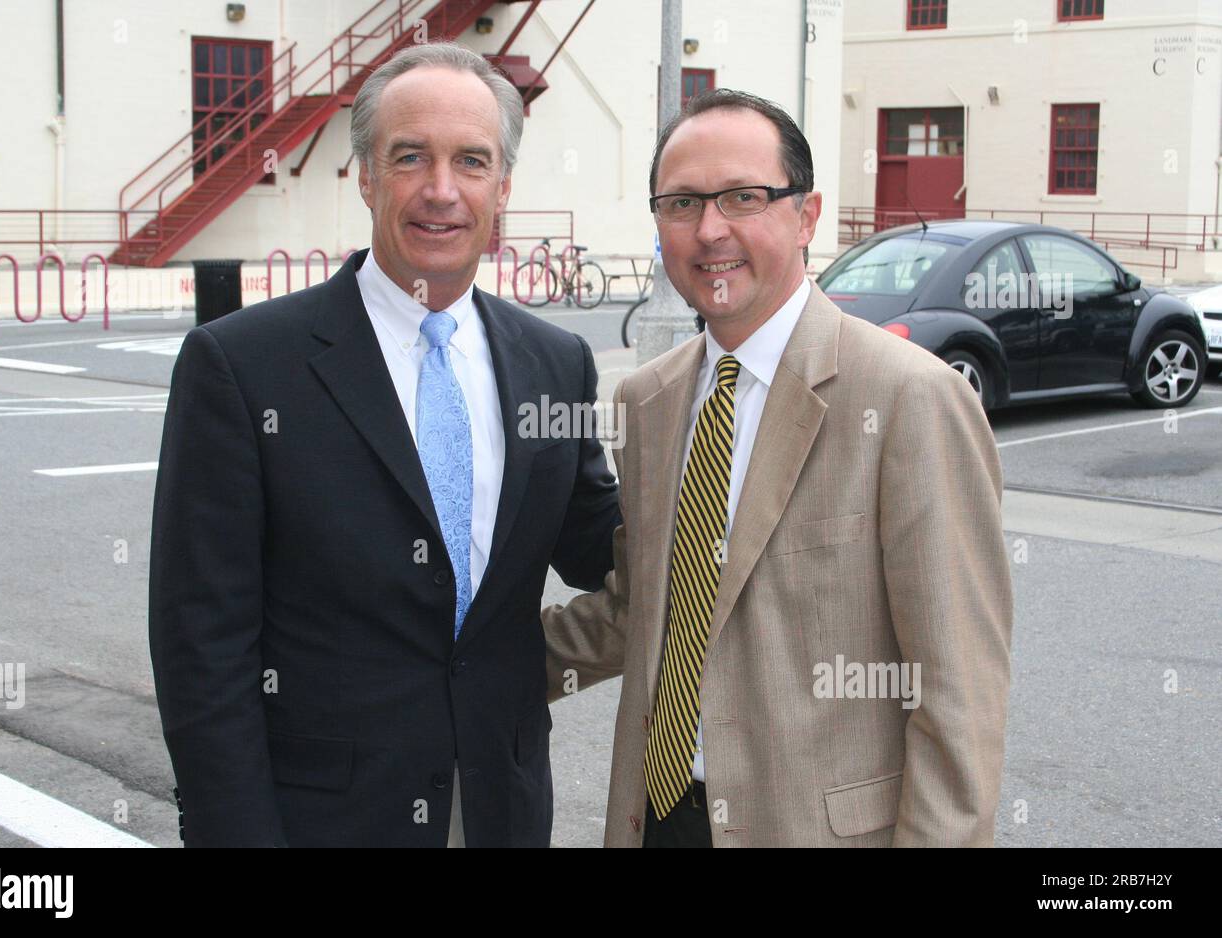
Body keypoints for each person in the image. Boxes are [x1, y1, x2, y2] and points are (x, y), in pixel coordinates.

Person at [150, 42, 620, 847]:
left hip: (499, 808)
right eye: (411, 157)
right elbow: (203, 644)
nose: (442, 191)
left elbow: (597, 544)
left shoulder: (554, 363)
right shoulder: (243, 367)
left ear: (502, 186)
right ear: (364, 175)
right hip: (321, 819)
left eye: (471, 161)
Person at [542, 88, 1013, 847]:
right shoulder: (647, 400)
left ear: (807, 215)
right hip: (659, 821)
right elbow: (645, 611)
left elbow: (957, 694)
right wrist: (455, 667)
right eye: (681, 203)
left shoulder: (910, 399)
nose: (710, 229)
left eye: (743, 197)